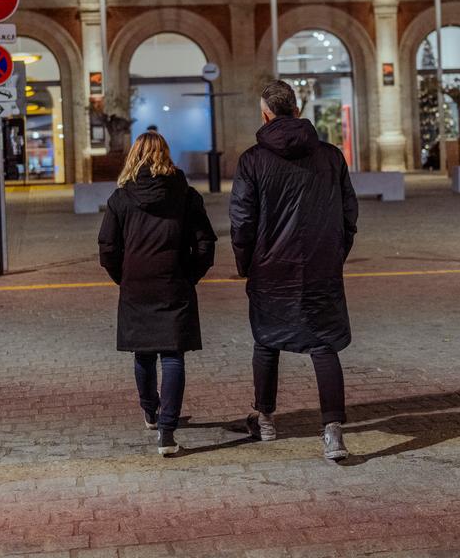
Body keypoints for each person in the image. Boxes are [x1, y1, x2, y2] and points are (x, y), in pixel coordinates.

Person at [229, 80, 359, 461]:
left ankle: (265, 417)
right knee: (323, 344)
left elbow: (242, 221)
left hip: (270, 266)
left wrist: (246, 263)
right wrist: (336, 253)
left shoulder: (253, 160)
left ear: (266, 113)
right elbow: (348, 213)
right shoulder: (331, 156)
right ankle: (332, 430)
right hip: (320, 265)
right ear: (297, 110)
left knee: (267, 341)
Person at [98, 131, 217, 456]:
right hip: (173, 282)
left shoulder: (121, 198)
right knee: (173, 355)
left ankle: (150, 412)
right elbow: (206, 242)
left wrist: (124, 277)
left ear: (133, 155)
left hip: (137, 284)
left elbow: (107, 246)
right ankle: (167, 432)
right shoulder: (185, 194)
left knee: (144, 352)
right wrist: (190, 275)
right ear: (166, 154)